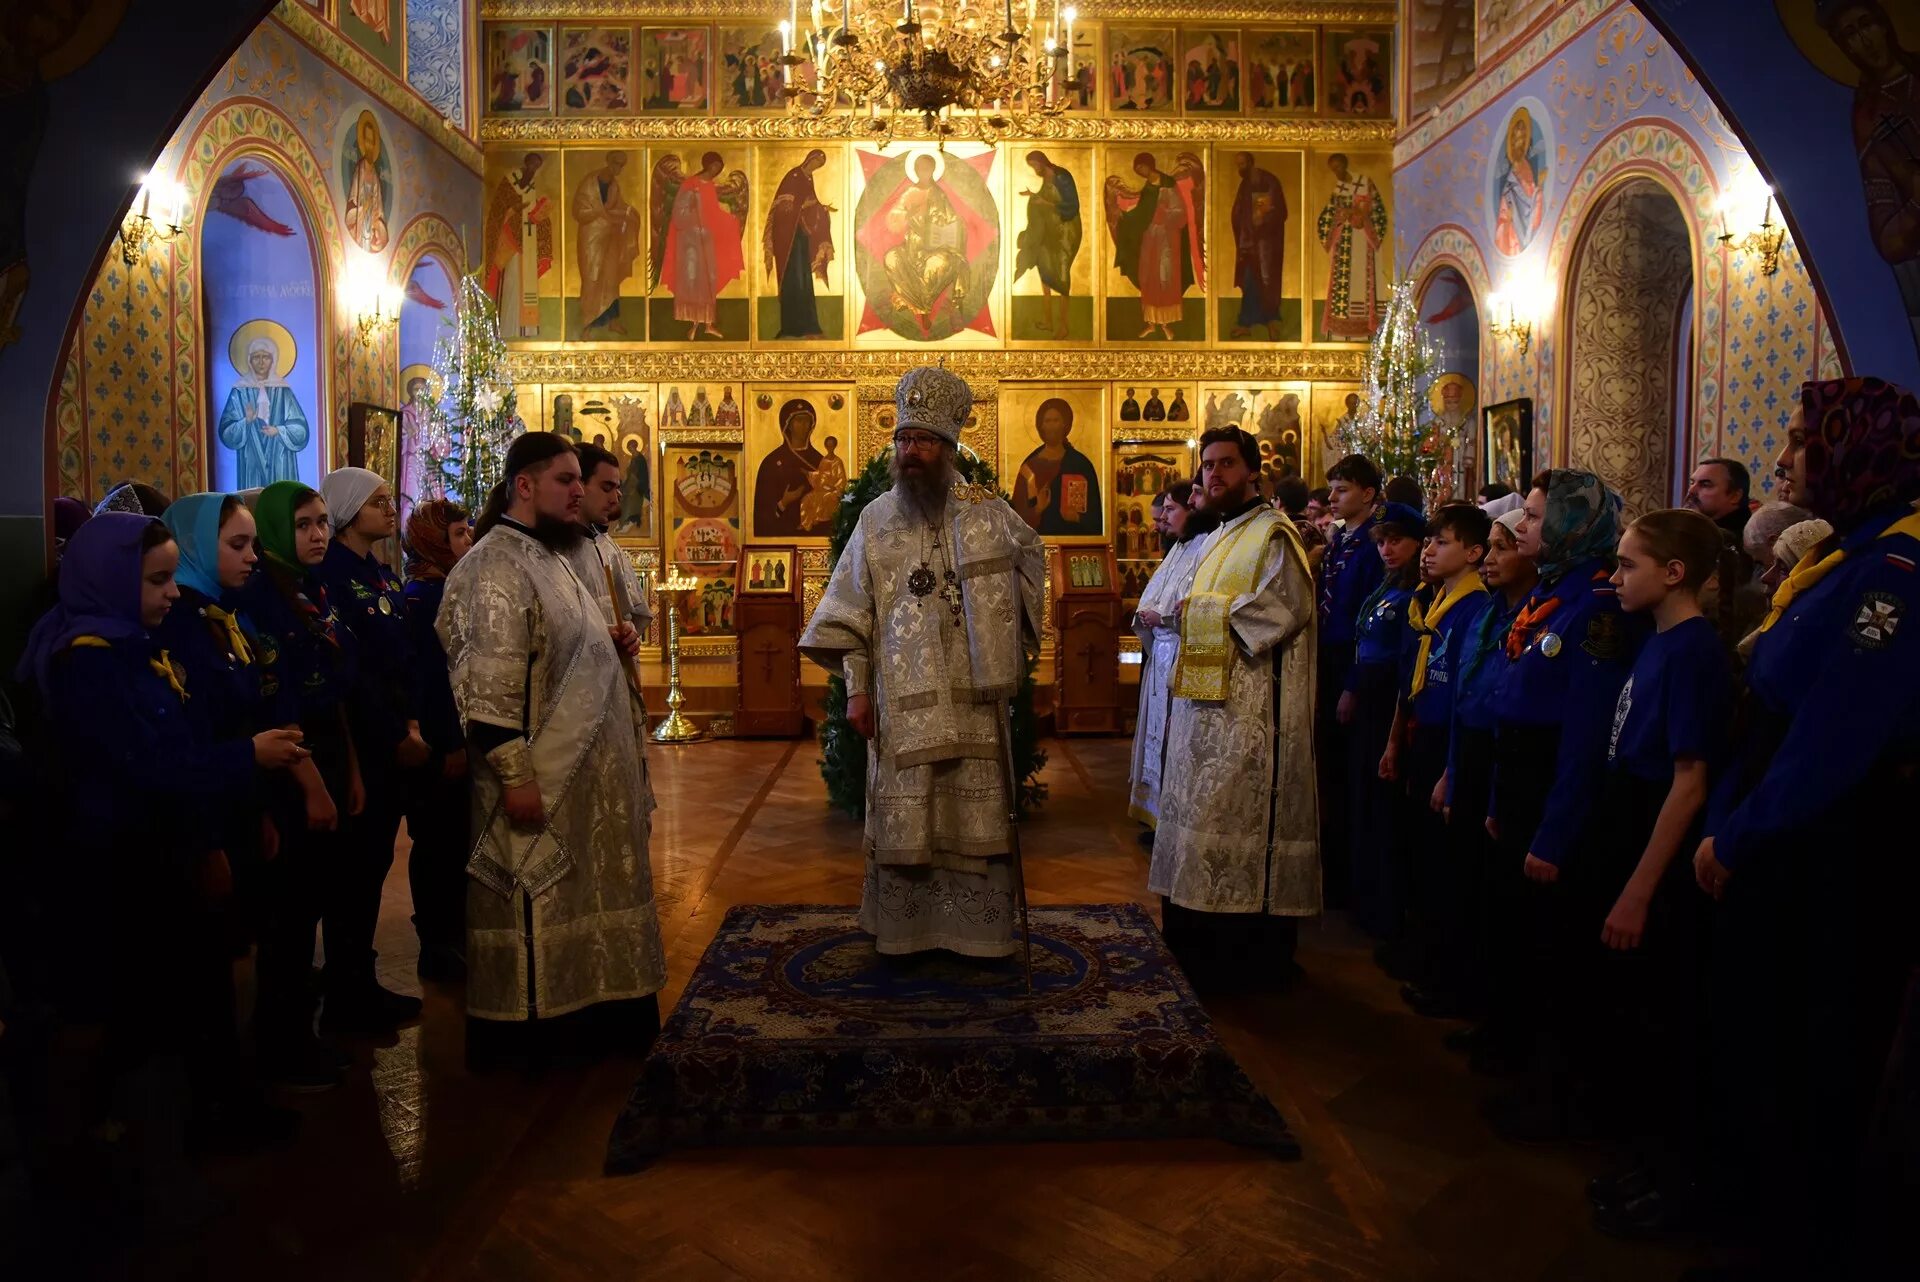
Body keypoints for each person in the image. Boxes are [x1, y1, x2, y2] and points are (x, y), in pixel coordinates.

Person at [1694, 377, 1920, 1270]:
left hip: (1830, 850)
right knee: (1764, 1036)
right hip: (1790, 830)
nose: (1784, 457)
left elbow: (1835, 736)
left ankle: (1783, 1236)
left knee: (1807, 1048)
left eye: (1801, 440)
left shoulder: (1893, 572)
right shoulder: (1851, 550)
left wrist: (1739, 835)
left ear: (1853, 451)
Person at [18, 515, 306, 1214]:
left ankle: (149, 1168)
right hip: (115, 869)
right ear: (110, 579)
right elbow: (146, 765)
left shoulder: (128, 645)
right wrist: (247, 757)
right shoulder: (88, 659)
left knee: (157, 1018)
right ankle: (100, 1183)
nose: (173, 592)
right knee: (131, 1022)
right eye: (155, 579)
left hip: (153, 857)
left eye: (175, 575)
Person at [438, 433, 667, 1063]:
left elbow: (563, 659)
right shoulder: (493, 567)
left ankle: (601, 1021)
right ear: (524, 486)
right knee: (534, 899)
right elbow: (486, 692)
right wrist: (515, 778)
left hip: (589, 787)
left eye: (578, 480)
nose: (577, 491)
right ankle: (538, 1041)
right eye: (565, 480)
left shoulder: (558, 555)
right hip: (540, 782)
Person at [799, 368, 1044, 957]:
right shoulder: (876, 520)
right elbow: (850, 614)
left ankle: (978, 938)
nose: (912, 451)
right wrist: (857, 690)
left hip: (975, 700)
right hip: (902, 706)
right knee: (909, 820)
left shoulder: (986, 511)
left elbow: (1033, 557)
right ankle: (906, 935)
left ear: (948, 447)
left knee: (972, 817)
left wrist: (1007, 632)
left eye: (924, 440)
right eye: (904, 439)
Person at [1581, 507, 1730, 1237]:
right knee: (1631, 1014)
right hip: (1627, 821)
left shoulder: (1698, 651)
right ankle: (1641, 1162)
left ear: (1675, 573)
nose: (1615, 577)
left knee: (1661, 1016)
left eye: (1629, 565)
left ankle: (1671, 1184)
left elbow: (1691, 779)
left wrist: (1639, 889)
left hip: (1657, 845)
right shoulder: (1659, 639)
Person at [1482, 469, 1637, 1138]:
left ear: (1573, 526)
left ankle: (1554, 1098)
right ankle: (1518, 1060)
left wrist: (1553, 834)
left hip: (1555, 789)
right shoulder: (1553, 590)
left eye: (1538, 518)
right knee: (1519, 936)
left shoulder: (1598, 604)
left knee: (1555, 952)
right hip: (1519, 778)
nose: (1522, 528)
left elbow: (1584, 734)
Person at [155, 493, 305, 1143]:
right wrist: (210, 839)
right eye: (237, 546)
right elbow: (189, 743)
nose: (252, 557)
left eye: (252, 544)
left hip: (240, 806)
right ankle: (216, 1108)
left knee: (226, 965)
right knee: (206, 977)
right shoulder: (181, 625)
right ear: (193, 547)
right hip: (206, 819)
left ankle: (235, 1094)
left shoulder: (222, 614)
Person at [1148, 426, 1320, 990]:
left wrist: (1192, 609)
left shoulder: (1273, 534)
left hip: (1251, 726)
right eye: (1207, 466)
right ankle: (1194, 955)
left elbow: (1281, 609)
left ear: (1251, 470)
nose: (1214, 474)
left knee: (1236, 828)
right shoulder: (1217, 534)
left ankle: (1243, 965)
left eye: (1226, 463)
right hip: (1201, 714)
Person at [239, 482, 363, 1090]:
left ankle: (303, 1032)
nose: (318, 535)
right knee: (289, 915)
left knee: (315, 900)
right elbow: (277, 698)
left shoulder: (312, 589)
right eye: (304, 525)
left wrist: (352, 771)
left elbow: (334, 684)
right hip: (292, 764)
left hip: (329, 751)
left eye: (322, 523)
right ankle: (281, 1045)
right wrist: (315, 786)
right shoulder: (262, 598)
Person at [312, 468, 426, 1036]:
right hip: (364, 742)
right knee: (353, 872)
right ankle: (345, 994)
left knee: (372, 866)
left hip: (391, 735)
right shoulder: (333, 573)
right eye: (378, 501)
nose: (389, 508)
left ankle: (361, 982)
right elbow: (353, 674)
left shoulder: (374, 571)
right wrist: (395, 733)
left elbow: (397, 654)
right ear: (350, 510)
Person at [1436, 506, 1536, 1050]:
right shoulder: (1491, 612)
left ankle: (1489, 1006)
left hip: (1504, 761)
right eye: (1491, 547)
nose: (1493, 558)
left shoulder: (1533, 615)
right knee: (1464, 877)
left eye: (1504, 547)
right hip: (1471, 752)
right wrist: (1452, 770)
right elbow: (1463, 695)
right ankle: (1464, 988)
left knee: (1493, 889)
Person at [1386, 503, 1490, 1016]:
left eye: (1441, 543)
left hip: (1450, 744)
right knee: (1418, 853)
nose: (1428, 551)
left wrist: (1451, 766)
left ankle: (1443, 972)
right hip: (1419, 734)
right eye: (1428, 541)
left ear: (1474, 552)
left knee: (1443, 862)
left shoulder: (1475, 609)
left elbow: (1465, 694)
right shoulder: (1428, 602)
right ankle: (1421, 953)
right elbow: (1409, 680)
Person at [1341, 501, 1424, 941]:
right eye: (1383, 542)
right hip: (1369, 700)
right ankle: (1366, 896)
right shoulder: (1389, 585)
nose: (1388, 550)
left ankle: (1385, 908)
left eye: (1397, 541)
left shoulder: (1416, 592)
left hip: (1388, 703)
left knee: (1384, 805)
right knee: (1365, 799)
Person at [402, 500, 475, 984]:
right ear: (433, 541)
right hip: (437, 742)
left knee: (449, 839)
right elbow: (433, 681)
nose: (468, 540)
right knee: (437, 841)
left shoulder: (440, 588)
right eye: (458, 534)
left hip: (446, 737)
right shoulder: (427, 597)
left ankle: (447, 931)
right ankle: (436, 940)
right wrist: (451, 743)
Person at [1128, 480, 1215, 834]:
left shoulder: (1204, 546)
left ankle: (1171, 821)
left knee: (1171, 739)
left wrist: (1163, 618)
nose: (1163, 518)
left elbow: (1191, 602)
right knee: (1155, 735)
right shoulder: (1179, 547)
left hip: (1179, 653)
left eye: (1170, 509)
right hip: (1161, 653)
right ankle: (1157, 816)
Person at [1315, 454, 1383, 907]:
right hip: (1330, 658)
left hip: (1350, 663)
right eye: (1332, 490)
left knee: (1350, 776)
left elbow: (1367, 619)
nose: (1333, 499)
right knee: (1331, 774)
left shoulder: (1375, 544)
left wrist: (1353, 684)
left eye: (1342, 490)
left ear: (1368, 494)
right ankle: (1335, 871)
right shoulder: (1342, 540)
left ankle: (1353, 882)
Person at [654, 152, 744, 340]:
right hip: (690, 242)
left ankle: (708, 323)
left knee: (708, 280)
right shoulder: (690, 185)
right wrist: (696, 215)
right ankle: (693, 325)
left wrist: (728, 220)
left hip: (707, 240)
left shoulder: (709, 186)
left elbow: (713, 212)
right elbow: (679, 214)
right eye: (714, 168)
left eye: (719, 169)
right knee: (693, 281)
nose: (716, 171)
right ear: (707, 165)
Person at [217, 337, 310, 490]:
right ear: (249, 361)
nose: (261, 362)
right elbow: (226, 432)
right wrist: (245, 422)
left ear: (273, 360)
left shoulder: (283, 390)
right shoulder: (239, 391)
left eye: (266, 357)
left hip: (279, 457)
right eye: (256, 357)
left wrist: (279, 431)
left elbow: (301, 430)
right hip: (251, 460)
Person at [764, 149, 835, 339]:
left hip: (801, 238)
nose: (816, 167)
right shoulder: (794, 176)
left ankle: (808, 326)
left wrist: (821, 209)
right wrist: (803, 206)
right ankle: (791, 327)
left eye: (819, 166)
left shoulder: (808, 180)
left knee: (803, 280)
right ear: (809, 159)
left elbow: (810, 204)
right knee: (792, 280)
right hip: (789, 240)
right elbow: (784, 208)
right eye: (815, 163)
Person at [1314, 153, 1386, 340]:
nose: (1336, 172)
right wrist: (1339, 217)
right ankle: (1342, 328)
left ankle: (1364, 328)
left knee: (1362, 282)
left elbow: (1378, 211)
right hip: (1344, 244)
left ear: (1345, 165)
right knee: (1344, 284)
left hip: (1363, 241)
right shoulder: (1339, 189)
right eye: (1333, 169)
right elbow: (1326, 216)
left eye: (1338, 167)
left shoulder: (1365, 183)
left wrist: (1361, 217)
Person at [1011, 397, 1103, 537]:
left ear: (1065, 425)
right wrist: (1038, 509)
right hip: (1038, 547)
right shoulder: (1029, 467)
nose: (1052, 426)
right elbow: (1015, 518)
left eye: (1056, 420)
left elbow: (1095, 518)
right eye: (1047, 421)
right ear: (1040, 426)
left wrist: (1077, 518)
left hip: (1073, 545)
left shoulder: (1081, 464)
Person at [1014, 151, 1082, 338]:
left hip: (1064, 235)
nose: (1035, 169)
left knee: (1060, 277)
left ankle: (1064, 326)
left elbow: (1071, 206)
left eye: (1035, 165)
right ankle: (1048, 321)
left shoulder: (1062, 177)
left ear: (1043, 162)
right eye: (1031, 166)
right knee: (1044, 271)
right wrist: (1034, 197)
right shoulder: (1047, 178)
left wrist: (1041, 201)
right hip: (1048, 234)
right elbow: (1047, 202)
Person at [573, 152, 641, 337]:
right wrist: (599, 214)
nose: (618, 168)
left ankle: (613, 321)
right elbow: (578, 211)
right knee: (591, 278)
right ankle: (587, 325)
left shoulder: (614, 186)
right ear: (609, 162)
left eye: (621, 165)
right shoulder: (589, 183)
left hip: (610, 236)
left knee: (611, 278)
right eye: (616, 164)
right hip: (591, 238)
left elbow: (617, 207)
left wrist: (628, 213)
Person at [1229, 151, 1289, 340]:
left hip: (1265, 245)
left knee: (1267, 281)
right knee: (1249, 281)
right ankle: (1246, 323)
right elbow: (1240, 210)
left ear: (1250, 162)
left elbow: (1275, 210)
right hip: (1248, 243)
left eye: (1242, 164)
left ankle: (1271, 323)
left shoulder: (1266, 180)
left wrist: (1261, 219)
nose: (1240, 168)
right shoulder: (1246, 183)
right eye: (1237, 165)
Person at [754, 398, 829, 537]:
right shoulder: (771, 462)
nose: (804, 425)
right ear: (787, 424)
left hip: (815, 534)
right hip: (781, 536)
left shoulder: (820, 461)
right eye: (799, 420)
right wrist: (783, 503)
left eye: (807, 421)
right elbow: (762, 513)